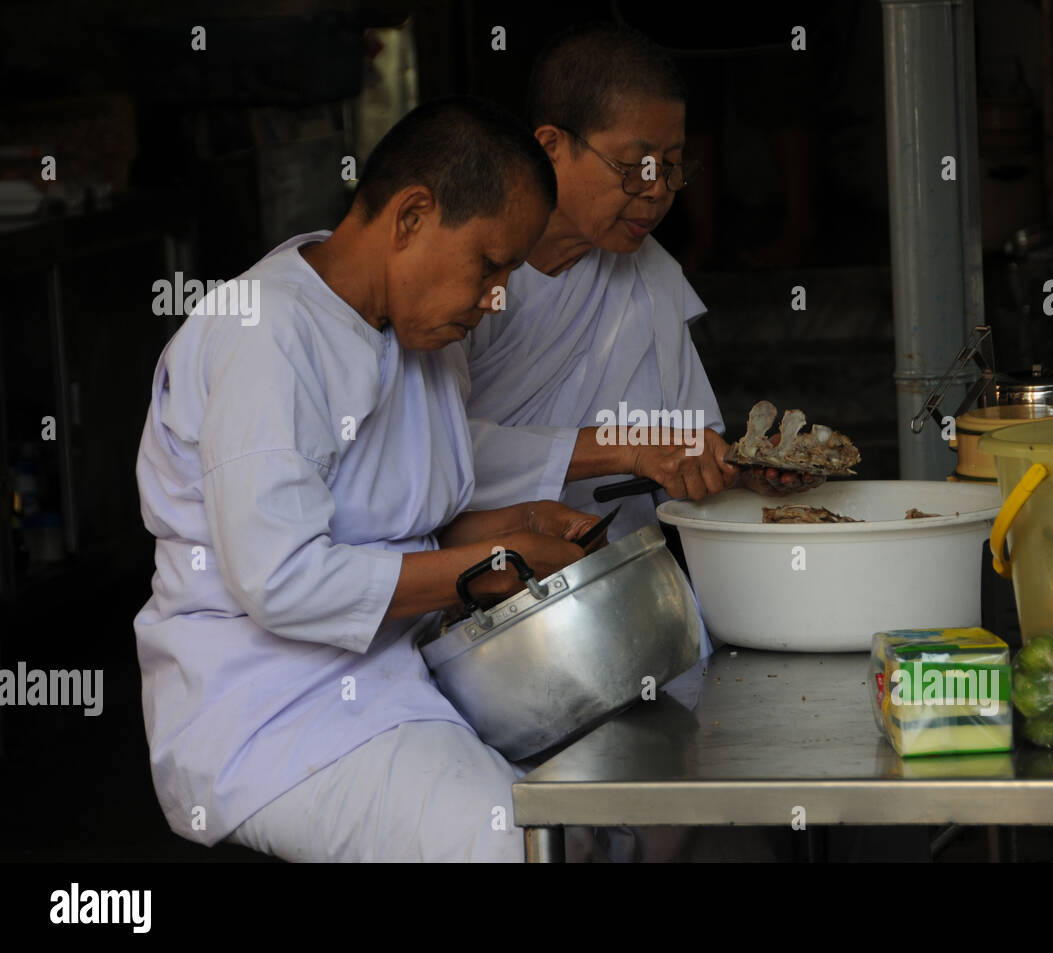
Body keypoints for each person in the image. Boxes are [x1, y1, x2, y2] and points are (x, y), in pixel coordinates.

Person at [133, 97, 605, 863]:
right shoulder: (269, 334)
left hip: (398, 678)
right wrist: (493, 567)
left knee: (618, 802)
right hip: (271, 717)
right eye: (489, 266)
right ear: (413, 215)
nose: (495, 299)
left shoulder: (423, 336)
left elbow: (402, 527)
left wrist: (520, 526)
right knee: (514, 846)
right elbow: (283, 578)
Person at [458, 23, 817, 550]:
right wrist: (628, 447)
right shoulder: (462, 271)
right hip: (479, 575)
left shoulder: (652, 274)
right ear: (551, 147)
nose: (656, 193)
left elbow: (683, 446)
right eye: (633, 167)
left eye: (672, 168)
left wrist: (738, 469)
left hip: (628, 571)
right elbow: (426, 455)